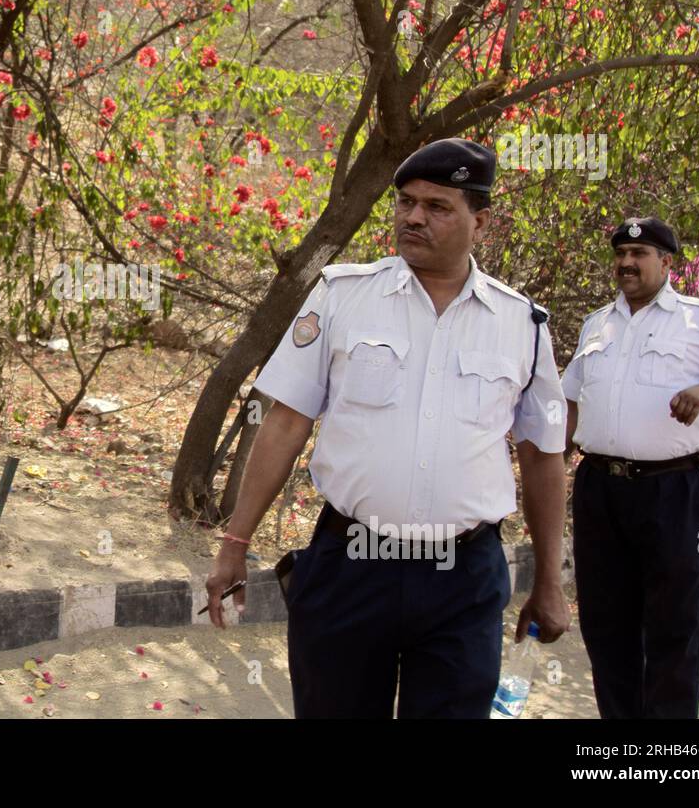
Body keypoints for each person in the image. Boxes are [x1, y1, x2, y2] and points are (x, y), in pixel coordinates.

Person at [205, 138, 570, 718]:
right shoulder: (342, 295)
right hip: (350, 568)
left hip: (464, 579)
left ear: (481, 221)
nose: (414, 217)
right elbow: (286, 421)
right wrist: (235, 545)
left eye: (437, 206)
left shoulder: (521, 323)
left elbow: (543, 455)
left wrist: (549, 578)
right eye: (406, 202)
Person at [561, 216, 699, 718]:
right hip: (600, 489)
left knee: (674, 630)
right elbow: (571, 404)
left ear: (667, 263)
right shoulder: (595, 323)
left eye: (640, 254)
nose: (627, 263)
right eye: (621, 255)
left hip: (675, 492)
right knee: (606, 628)